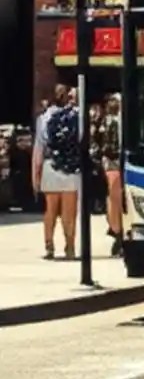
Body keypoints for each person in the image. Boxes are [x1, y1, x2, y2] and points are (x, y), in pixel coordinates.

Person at [32, 85, 80, 260]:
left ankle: (49, 246)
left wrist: (35, 175)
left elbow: (39, 147)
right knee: (70, 211)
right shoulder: (77, 116)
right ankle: (70, 246)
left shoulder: (44, 118)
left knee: (50, 209)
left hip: (50, 165)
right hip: (71, 168)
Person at [100, 95, 123, 257]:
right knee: (114, 200)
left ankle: (118, 233)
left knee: (114, 200)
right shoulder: (109, 122)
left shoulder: (109, 121)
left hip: (113, 163)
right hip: (114, 163)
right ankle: (117, 232)